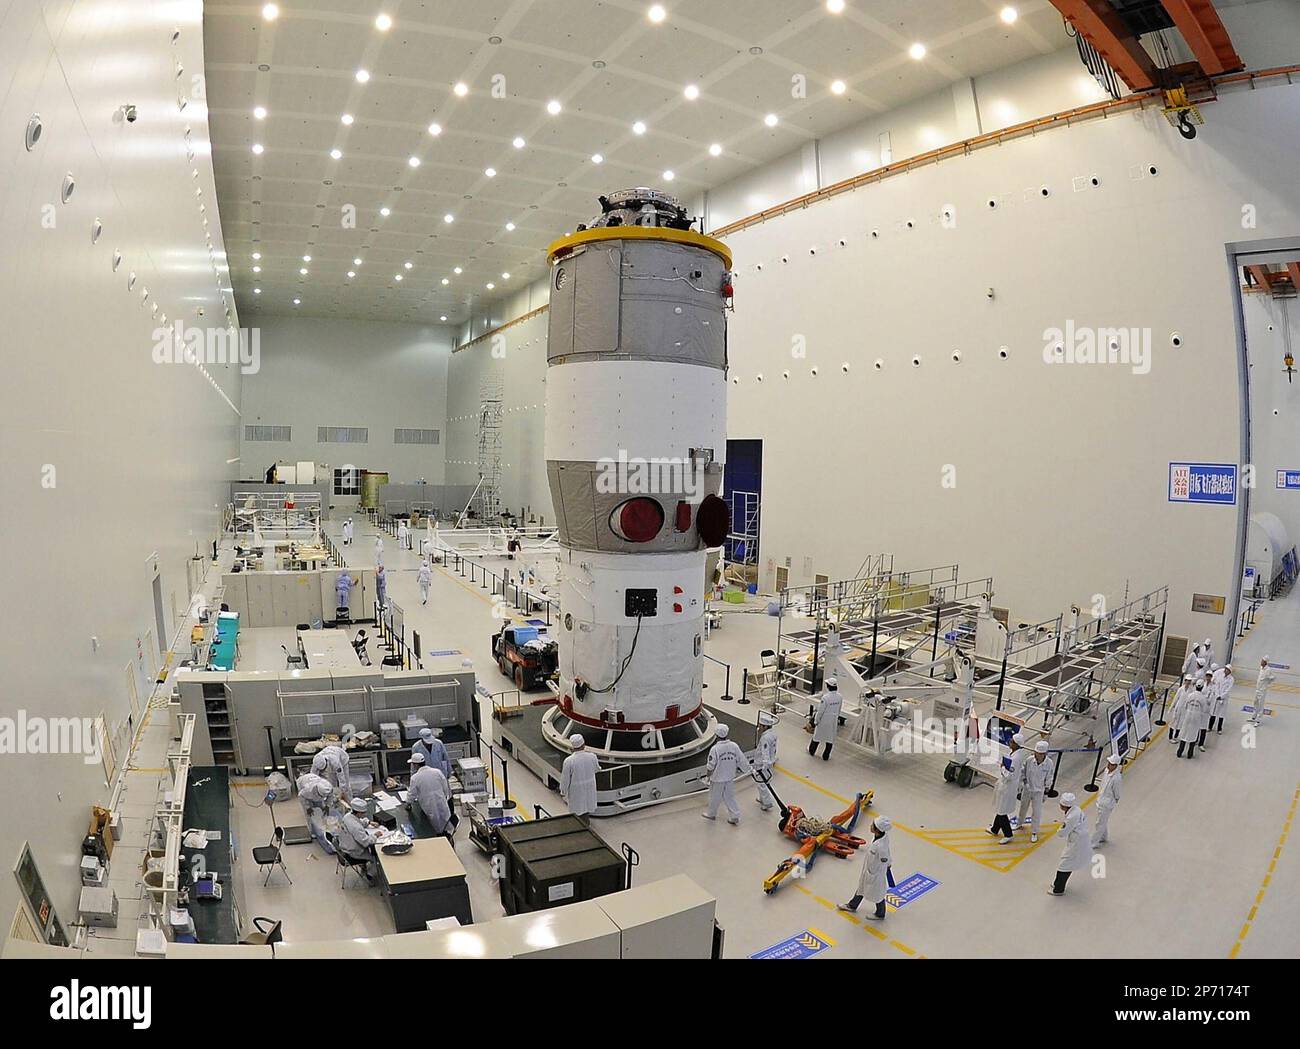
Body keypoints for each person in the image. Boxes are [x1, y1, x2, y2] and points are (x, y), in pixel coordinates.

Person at [838, 816, 894, 921]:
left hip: (875, 874)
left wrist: (882, 868)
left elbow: (885, 859)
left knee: (878, 894)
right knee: (861, 889)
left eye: (873, 825)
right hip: (869, 871)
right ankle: (852, 905)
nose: (870, 826)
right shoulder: (881, 837)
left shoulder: (880, 846)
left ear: (878, 829)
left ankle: (880, 914)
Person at [702, 723, 750, 824]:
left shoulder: (715, 749)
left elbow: (710, 766)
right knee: (730, 796)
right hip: (730, 777)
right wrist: (749, 770)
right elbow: (742, 760)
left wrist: (707, 777)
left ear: (716, 735)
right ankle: (735, 815)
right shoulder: (734, 746)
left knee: (714, 797)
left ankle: (711, 814)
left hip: (717, 779)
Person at [1048, 793, 1091, 896]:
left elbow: (1062, 833)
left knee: (1064, 865)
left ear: (1064, 805)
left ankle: (1058, 889)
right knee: (1067, 864)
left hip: (1077, 842)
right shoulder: (1075, 809)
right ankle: (1057, 884)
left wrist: (1059, 828)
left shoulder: (1071, 816)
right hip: (1078, 838)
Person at [407, 753, 452, 836]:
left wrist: (408, 803)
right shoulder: (437, 772)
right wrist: (444, 797)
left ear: (416, 765)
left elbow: (411, 794)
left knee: (432, 829)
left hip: (428, 807)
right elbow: (446, 788)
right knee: (444, 825)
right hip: (442, 803)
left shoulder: (415, 778)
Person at [335, 797, 381, 879]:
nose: (364, 815)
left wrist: (369, 822)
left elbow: (358, 821)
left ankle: (364, 867)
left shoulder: (347, 816)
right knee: (377, 858)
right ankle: (370, 875)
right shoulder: (356, 827)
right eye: (363, 813)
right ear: (359, 812)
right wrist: (375, 835)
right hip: (353, 853)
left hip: (343, 846)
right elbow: (366, 842)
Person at [1018, 741, 1055, 842]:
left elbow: (1049, 778)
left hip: (1039, 792)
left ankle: (1034, 832)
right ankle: (1019, 823)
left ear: (1044, 754)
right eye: (1036, 752)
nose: (1036, 755)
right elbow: (1023, 771)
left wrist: (1046, 792)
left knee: (1036, 812)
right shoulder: (1029, 760)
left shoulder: (1049, 764)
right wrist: (1024, 783)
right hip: (1027, 789)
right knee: (1023, 807)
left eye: (1039, 753)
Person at [559, 734, 600, 817]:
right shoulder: (592, 756)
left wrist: (563, 791)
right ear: (584, 745)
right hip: (589, 788)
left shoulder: (569, 761)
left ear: (572, 747)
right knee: (586, 809)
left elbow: (565, 779)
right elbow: (597, 769)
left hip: (576, 791)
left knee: (577, 812)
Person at [295, 771, 336, 853]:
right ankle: (312, 832)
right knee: (310, 814)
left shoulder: (328, 787)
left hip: (314, 779)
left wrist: (327, 805)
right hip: (303, 782)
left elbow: (330, 797)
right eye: (321, 796)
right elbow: (301, 797)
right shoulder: (308, 790)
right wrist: (308, 808)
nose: (322, 797)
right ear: (317, 792)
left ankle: (324, 827)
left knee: (320, 807)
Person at [1091, 754, 1123, 846]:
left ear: (1116, 766)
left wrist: (1113, 801)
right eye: (1108, 763)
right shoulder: (1106, 771)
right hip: (1101, 800)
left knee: (1099, 823)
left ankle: (1093, 843)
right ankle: (1103, 837)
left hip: (1107, 804)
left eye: (1111, 764)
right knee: (1102, 821)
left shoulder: (1117, 778)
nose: (1108, 765)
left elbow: (1117, 793)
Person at [987, 754, 1020, 844]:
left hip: (1007, 788)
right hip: (1005, 787)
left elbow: (1008, 776)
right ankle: (995, 829)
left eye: (1012, 742)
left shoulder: (1015, 759)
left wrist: (1002, 767)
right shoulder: (1014, 755)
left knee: (1001, 812)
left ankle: (1008, 834)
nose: (1010, 743)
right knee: (1000, 809)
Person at [808, 678, 841, 761]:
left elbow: (820, 711)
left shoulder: (825, 698)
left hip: (824, 721)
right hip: (833, 721)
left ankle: (812, 751)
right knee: (830, 739)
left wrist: (816, 721)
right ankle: (826, 756)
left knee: (817, 737)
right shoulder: (840, 697)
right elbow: (839, 709)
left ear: (828, 686)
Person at [753, 713, 779, 812]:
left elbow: (765, 752)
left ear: (765, 726)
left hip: (762, 764)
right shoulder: (773, 734)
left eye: (761, 725)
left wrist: (764, 764)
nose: (759, 726)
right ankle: (762, 798)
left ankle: (767, 803)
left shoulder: (765, 738)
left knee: (762, 784)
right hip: (770, 762)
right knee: (765, 782)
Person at [1175, 682, 1207, 758]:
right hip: (1196, 717)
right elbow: (1204, 709)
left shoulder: (1190, 695)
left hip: (1188, 715)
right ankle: (1190, 754)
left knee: (1184, 733)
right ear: (1202, 688)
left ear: (1195, 686)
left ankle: (1179, 752)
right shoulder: (1203, 698)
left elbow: (1185, 705)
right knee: (1193, 734)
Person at [1251, 656, 1276, 726]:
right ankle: (1253, 717)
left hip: (1262, 690)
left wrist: (1268, 683)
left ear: (1265, 662)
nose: (1261, 662)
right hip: (1257, 689)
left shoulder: (1268, 670)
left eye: (1262, 661)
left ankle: (1258, 720)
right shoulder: (1261, 668)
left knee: (1260, 705)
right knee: (1255, 702)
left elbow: (1273, 678)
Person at [1168, 675, 1193, 742]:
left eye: (1189, 681)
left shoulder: (1191, 690)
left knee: (1180, 723)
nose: (1188, 682)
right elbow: (1175, 699)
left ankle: (1176, 736)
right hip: (1178, 708)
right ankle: (1170, 737)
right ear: (1185, 681)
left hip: (1185, 709)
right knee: (1173, 722)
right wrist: (1171, 708)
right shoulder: (1180, 689)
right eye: (1187, 680)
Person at [1212, 664, 1234, 733]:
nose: (1225, 670)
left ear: (1229, 671)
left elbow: (1228, 690)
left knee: (1221, 714)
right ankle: (1210, 726)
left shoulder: (1231, 679)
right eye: (1225, 669)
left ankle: (1219, 729)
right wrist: (1217, 695)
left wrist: (1221, 696)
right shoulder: (1220, 676)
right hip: (1217, 696)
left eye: (1227, 670)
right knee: (1214, 712)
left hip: (1224, 698)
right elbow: (1217, 685)